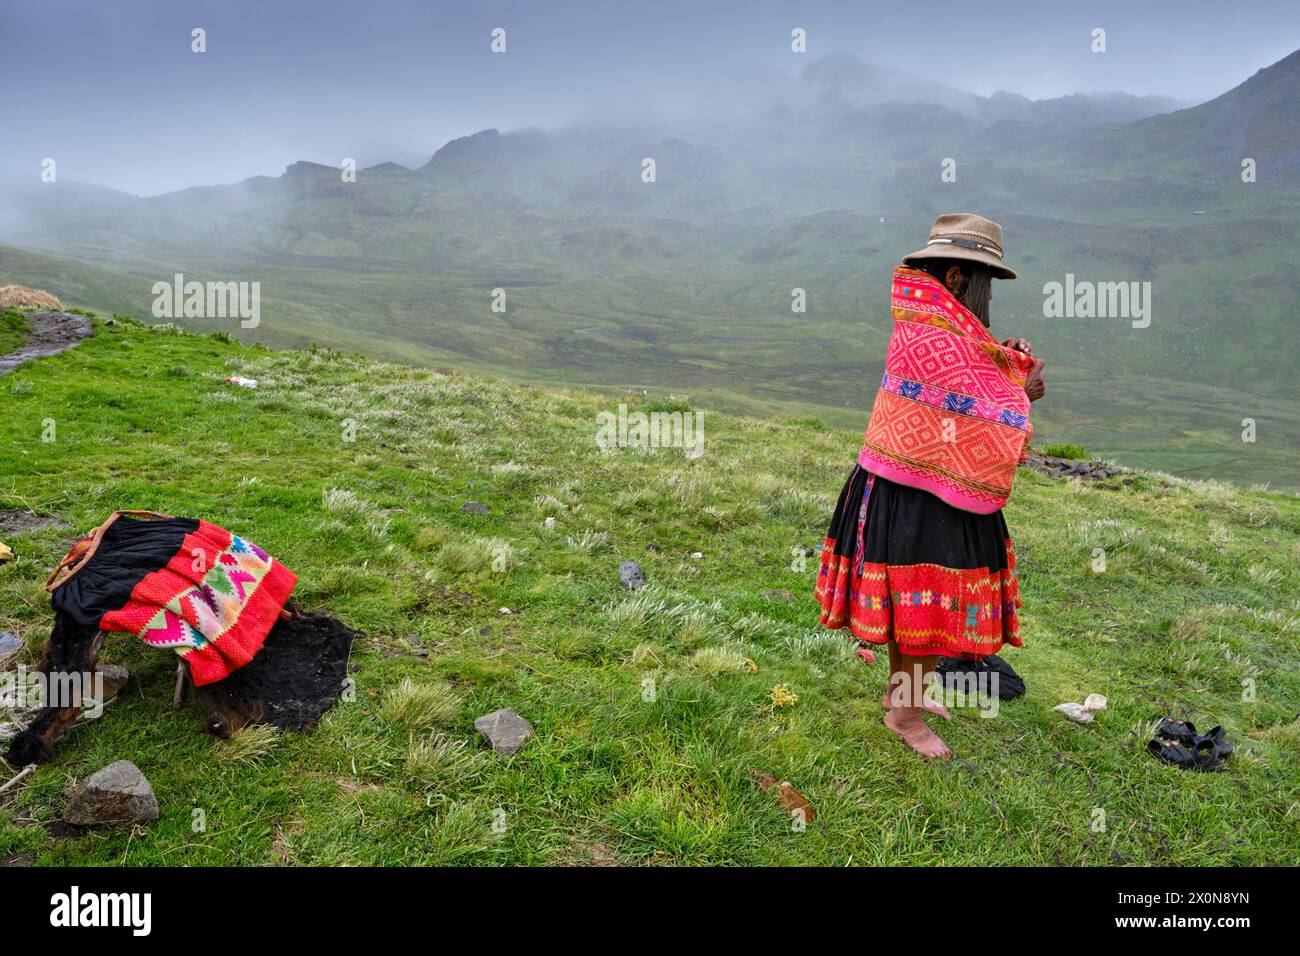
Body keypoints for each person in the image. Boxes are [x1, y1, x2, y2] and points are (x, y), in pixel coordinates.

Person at [814, 213, 1045, 759]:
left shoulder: (940, 322)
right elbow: (966, 408)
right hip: (912, 492)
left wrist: (1000, 366)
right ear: (960, 277)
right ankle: (905, 716)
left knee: (918, 608)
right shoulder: (927, 325)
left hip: (918, 485)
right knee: (922, 609)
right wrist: (1021, 391)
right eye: (982, 281)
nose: (986, 295)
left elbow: (963, 388)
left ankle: (907, 698)